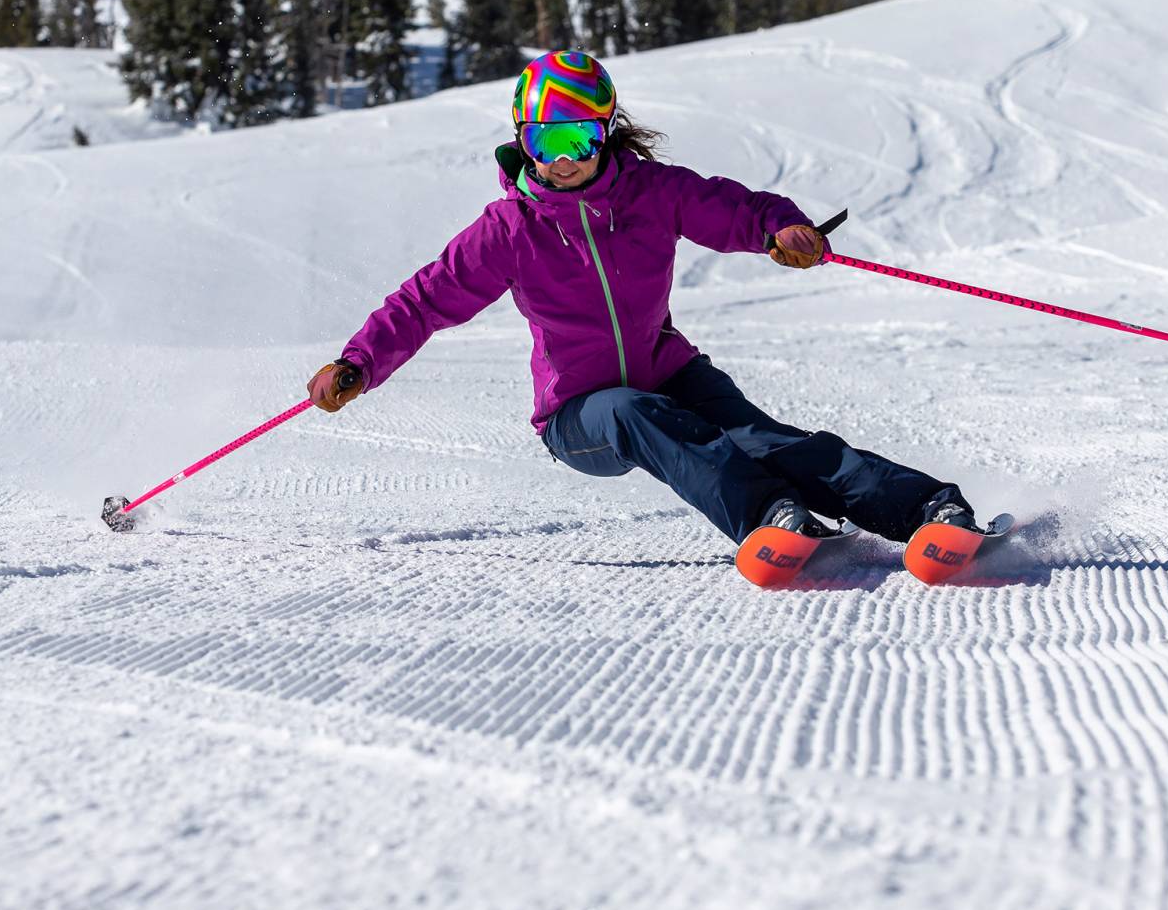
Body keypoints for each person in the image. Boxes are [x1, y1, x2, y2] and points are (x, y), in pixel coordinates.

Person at [307, 49, 976, 550]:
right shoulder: (509, 230)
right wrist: (359, 362)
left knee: (765, 439)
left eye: (576, 140)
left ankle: (927, 509)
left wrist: (781, 228)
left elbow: (733, 207)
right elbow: (425, 301)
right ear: (522, 142)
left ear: (604, 134)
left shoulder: (650, 193)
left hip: (670, 372)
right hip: (580, 415)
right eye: (543, 142)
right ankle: (771, 517)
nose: (561, 160)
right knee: (636, 413)